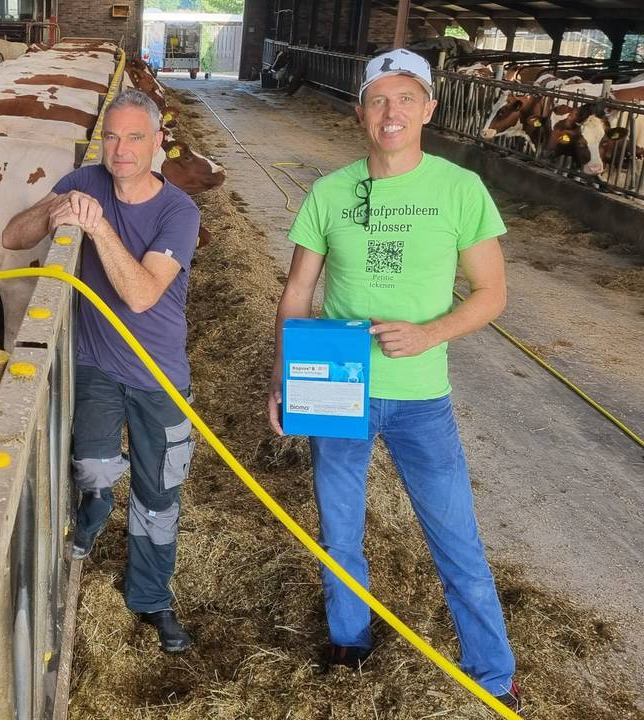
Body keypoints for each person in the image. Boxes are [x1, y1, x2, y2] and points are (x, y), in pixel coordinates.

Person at [267, 49, 523, 712]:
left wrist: (430, 333)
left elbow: (491, 292)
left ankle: (493, 672)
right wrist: (282, 380)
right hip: (336, 389)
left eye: (406, 98)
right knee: (339, 531)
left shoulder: (459, 189)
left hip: (420, 399)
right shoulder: (329, 192)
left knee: (455, 535)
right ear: (360, 112)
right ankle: (349, 642)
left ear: (428, 109)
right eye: (378, 99)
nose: (392, 112)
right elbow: (297, 292)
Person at [2, 88, 201, 653]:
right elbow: (14, 237)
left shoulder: (178, 212)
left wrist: (98, 228)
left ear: (159, 141)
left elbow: (140, 295)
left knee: (159, 495)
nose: (120, 150)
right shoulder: (83, 180)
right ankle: (93, 510)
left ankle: (151, 598)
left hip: (159, 375)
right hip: (95, 364)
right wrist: (54, 210)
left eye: (135, 137)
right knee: (91, 466)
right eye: (112, 136)